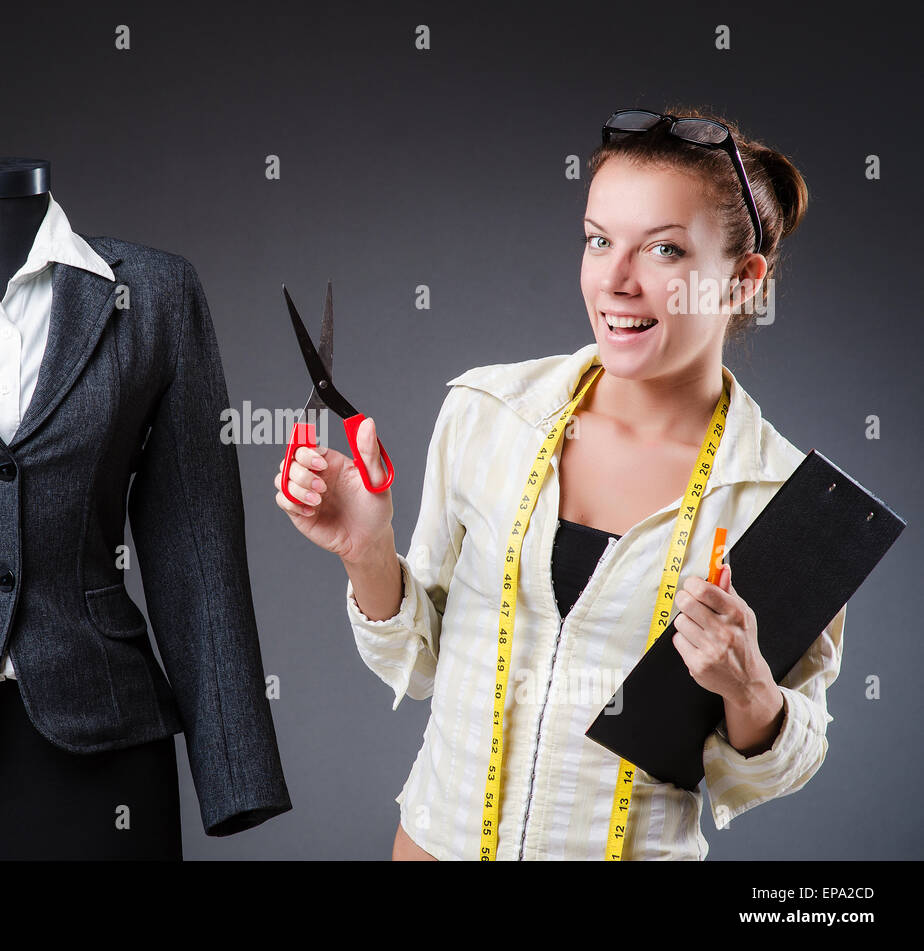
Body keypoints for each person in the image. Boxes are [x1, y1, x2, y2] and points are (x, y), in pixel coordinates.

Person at [275, 105, 847, 860]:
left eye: (665, 250)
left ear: (743, 281)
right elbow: (421, 662)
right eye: (598, 239)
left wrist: (749, 690)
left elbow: (783, 762)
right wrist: (366, 550)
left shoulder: (784, 499)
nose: (615, 280)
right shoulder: (488, 413)